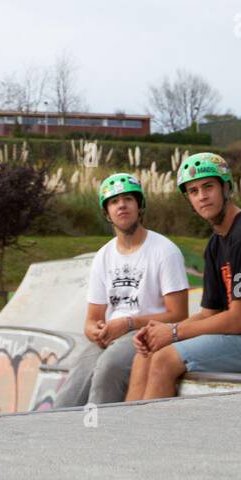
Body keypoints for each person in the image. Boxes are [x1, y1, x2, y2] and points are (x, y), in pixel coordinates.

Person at [126, 153, 241, 401]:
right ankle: (131, 433)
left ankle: (154, 437)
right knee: (147, 353)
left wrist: (175, 332)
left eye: (208, 186)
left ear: (226, 187)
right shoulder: (215, 244)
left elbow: (240, 320)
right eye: (193, 191)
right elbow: (209, 314)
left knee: (164, 360)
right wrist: (164, 331)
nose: (202, 196)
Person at [56, 173, 189, 408]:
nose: (122, 205)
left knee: (109, 367)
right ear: (107, 213)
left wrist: (128, 323)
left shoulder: (164, 251)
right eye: (114, 201)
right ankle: (56, 432)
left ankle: (101, 432)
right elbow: (92, 319)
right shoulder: (103, 256)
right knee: (76, 378)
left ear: (140, 206)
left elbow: (178, 315)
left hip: (147, 333)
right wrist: (94, 331)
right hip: (111, 334)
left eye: (128, 198)